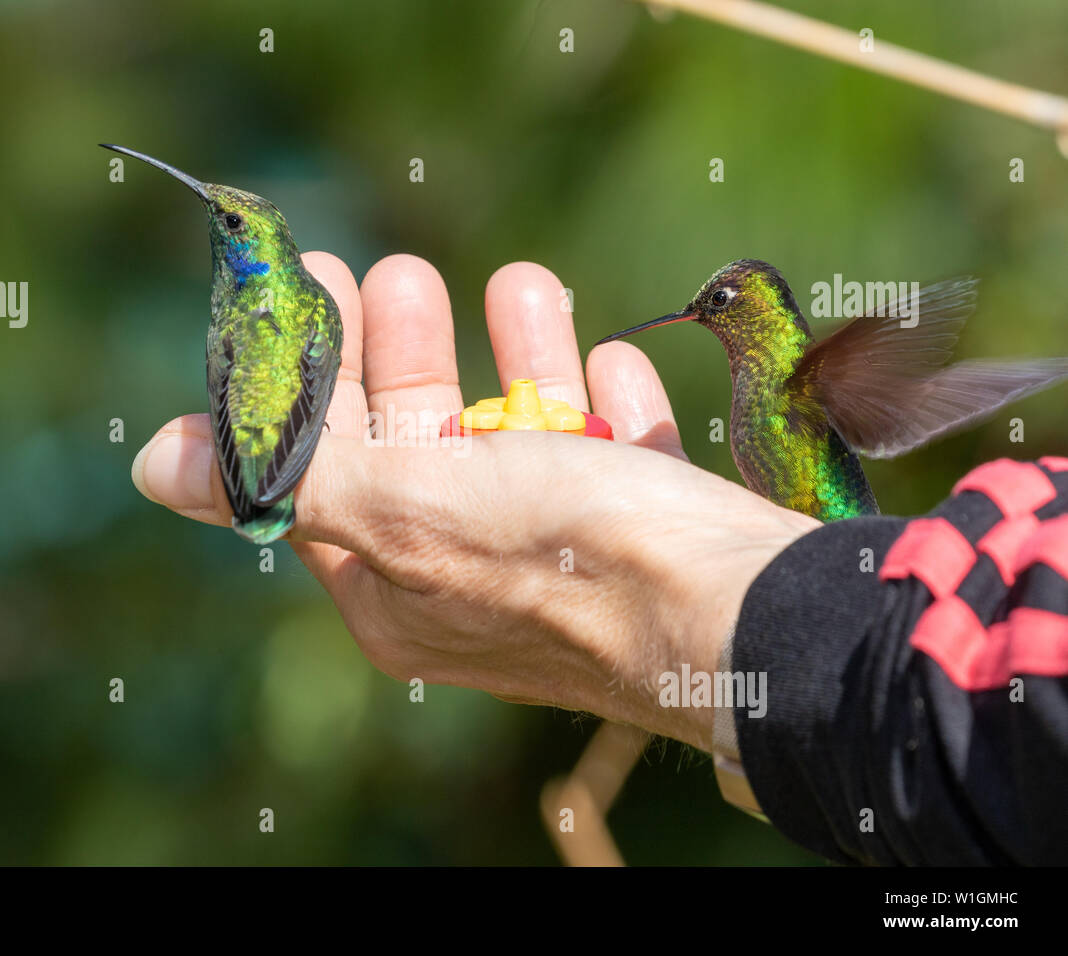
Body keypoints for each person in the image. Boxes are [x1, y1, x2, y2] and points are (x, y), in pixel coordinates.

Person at [129, 252, 1068, 866]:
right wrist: (715, 583)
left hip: (832, 528)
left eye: (715, 307)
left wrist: (666, 586)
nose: (698, 317)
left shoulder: (806, 376)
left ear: (756, 318)